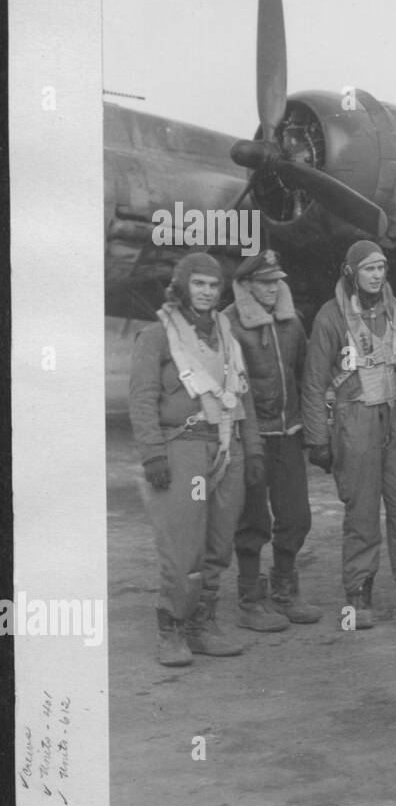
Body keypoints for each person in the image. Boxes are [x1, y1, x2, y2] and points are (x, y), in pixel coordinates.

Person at [129, 252, 263, 666]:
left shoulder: (227, 335)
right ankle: (172, 627)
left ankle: (202, 626)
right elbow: (143, 397)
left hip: (227, 444)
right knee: (183, 546)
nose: (206, 292)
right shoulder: (157, 336)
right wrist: (153, 452)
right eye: (198, 284)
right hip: (183, 446)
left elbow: (242, 396)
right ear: (182, 286)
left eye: (213, 285)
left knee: (220, 543)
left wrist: (253, 448)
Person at [301, 241, 396, 630]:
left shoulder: (395, 310)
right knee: (361, 510)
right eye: (369, 269)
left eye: (382, 267)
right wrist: (317, 438)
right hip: (355, 419)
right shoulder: (330, 318)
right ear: (350, 272)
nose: (378, 275)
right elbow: (313, 383)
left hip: (395, 417)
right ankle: (358, 594)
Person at [223, 248, 321, 630]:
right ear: (246, 285)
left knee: (296, 516)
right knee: (252, 522)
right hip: (250, 439)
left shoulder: (292, 323)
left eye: (276, 282)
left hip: (288, 435)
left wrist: (313, 430)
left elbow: (304, 377)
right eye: (264, 283)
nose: (271, 289)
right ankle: (250, 599)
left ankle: (285, 590)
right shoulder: (228, 324)